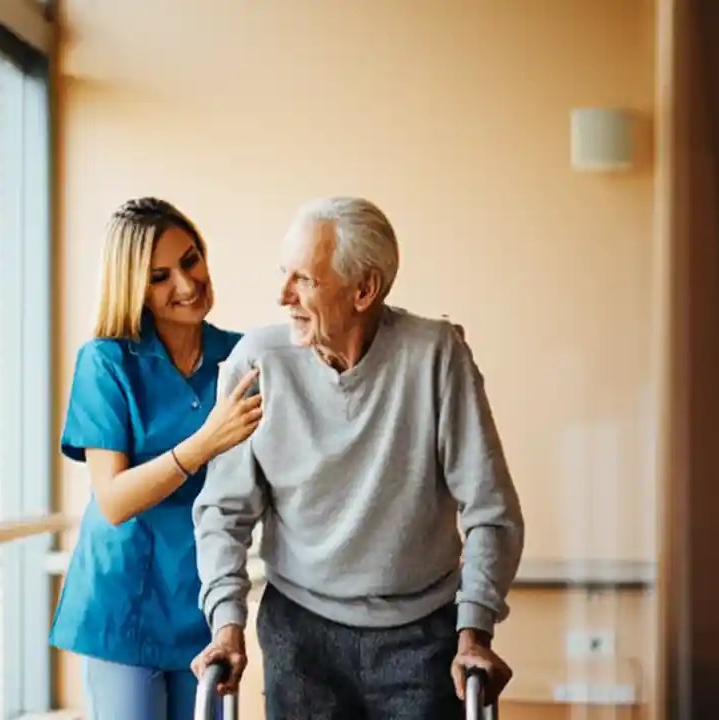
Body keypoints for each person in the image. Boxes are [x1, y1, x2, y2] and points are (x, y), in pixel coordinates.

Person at [190, 196, 525, 719]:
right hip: (299, 635)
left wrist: (475, 628)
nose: (283, 296)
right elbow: (222, 512)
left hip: (422, 636)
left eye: (304, 279)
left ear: (364, 289)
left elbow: (491, 509)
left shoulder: (435, 357)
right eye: (285, 275)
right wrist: (226, 624)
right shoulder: (258, 366)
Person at [52, 197, 263, 719]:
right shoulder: (105, 361)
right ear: (134, 288)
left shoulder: (241, 357)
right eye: (160, 276)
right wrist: (204, 443)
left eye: (191, 260)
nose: (188, 285)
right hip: (124, 600)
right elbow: (115, 499)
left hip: (203, 599)